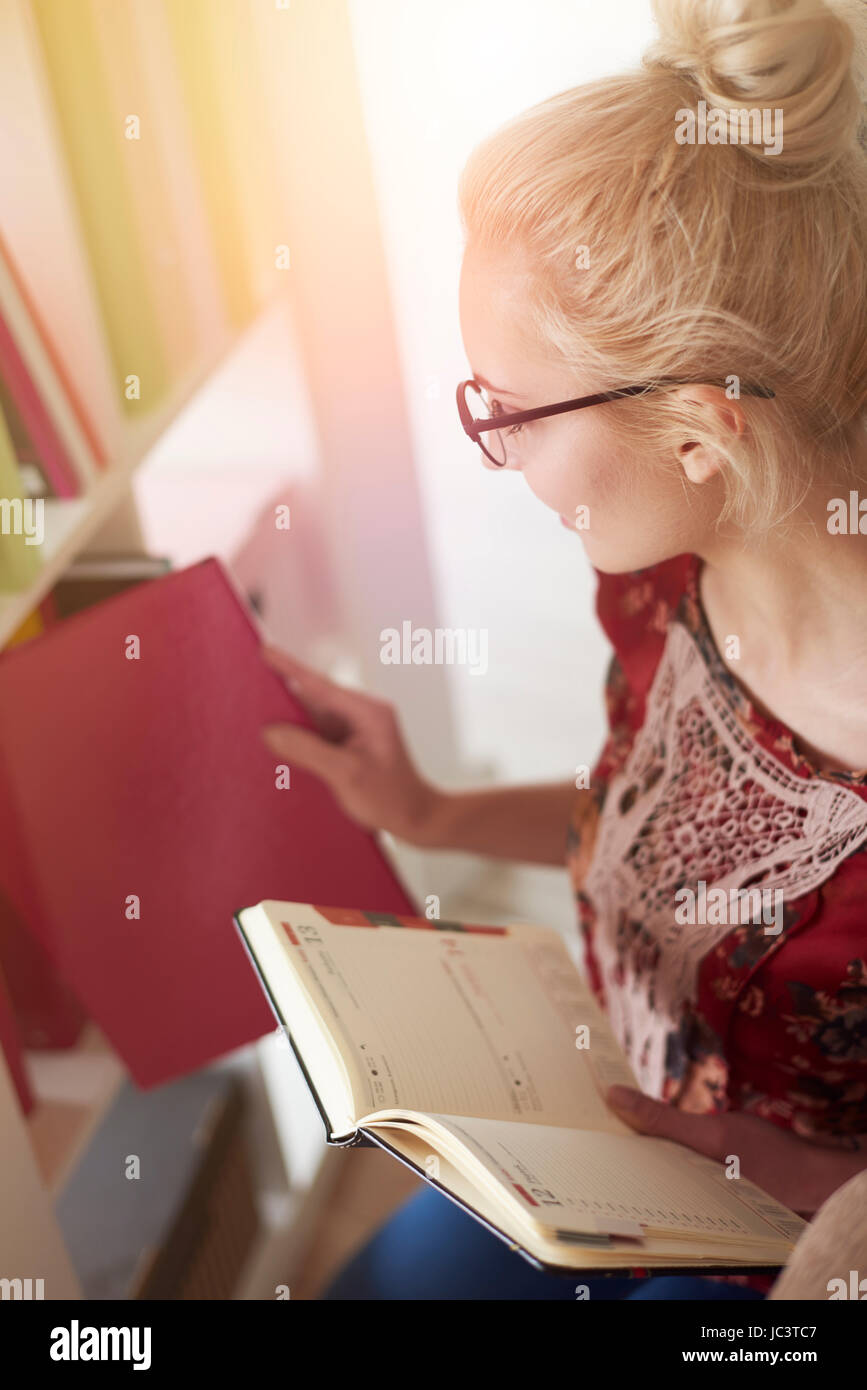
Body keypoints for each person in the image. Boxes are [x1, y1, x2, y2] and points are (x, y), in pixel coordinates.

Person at [262, 0, 867, 1299]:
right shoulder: (661, 578)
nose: (498, 452)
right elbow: (645, 819)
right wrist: (428, 807)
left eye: (512, 412)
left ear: (703, 427)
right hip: (609, 1147)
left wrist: (797, 1175)